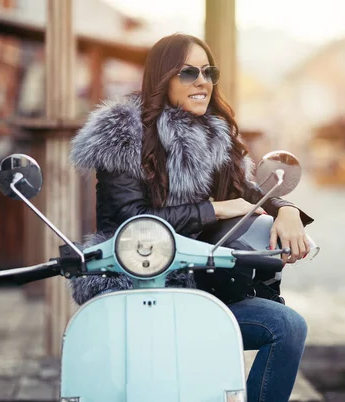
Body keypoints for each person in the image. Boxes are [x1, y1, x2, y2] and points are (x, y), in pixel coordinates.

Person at [69, 33, 314, 402]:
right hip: (138, 288)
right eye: (188, 72)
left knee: (287, 326)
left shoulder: (216, 134)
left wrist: (288, 210)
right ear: (162, 77)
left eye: (208, 71)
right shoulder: (124, 135)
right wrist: (214, 208)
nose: (202, 81)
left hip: (206, 288)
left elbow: (248, 190)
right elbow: (133, 223)